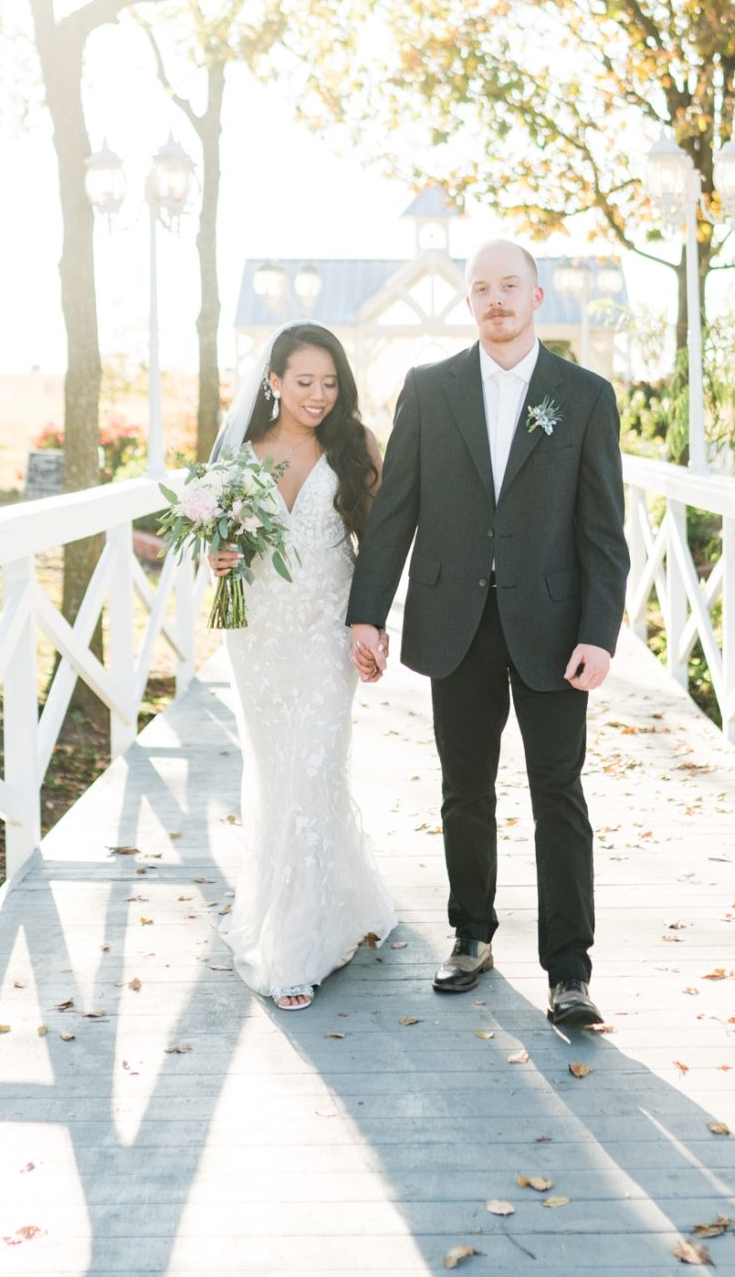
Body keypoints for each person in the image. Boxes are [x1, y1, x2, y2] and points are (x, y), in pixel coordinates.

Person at [347, 240, 629, 1028]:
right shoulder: (429, 390)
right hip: (454, 623)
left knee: (558, 795)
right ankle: (470, 935)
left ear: (538, 297)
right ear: (468, 303)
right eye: (480, 289)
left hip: (552, 628)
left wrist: (599, 633)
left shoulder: (583, 395)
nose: (494, 299)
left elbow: (603, 529)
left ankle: (569, 971)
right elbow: (393, 508)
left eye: (509, 286)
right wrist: (366, 611)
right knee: (463, 791)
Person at [209, 323, 395, 1012]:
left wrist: (370, 624)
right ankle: (329, 904)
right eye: (304, 381)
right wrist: (216, 559)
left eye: (329, 382)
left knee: (313, 769)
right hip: (257, 637)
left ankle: (297, 947)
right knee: (276, 773)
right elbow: (219, 544)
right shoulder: (241, 455)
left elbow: (380, 542)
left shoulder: (354, 448)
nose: (318, 395)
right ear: (274, 382)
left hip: (324, 632)